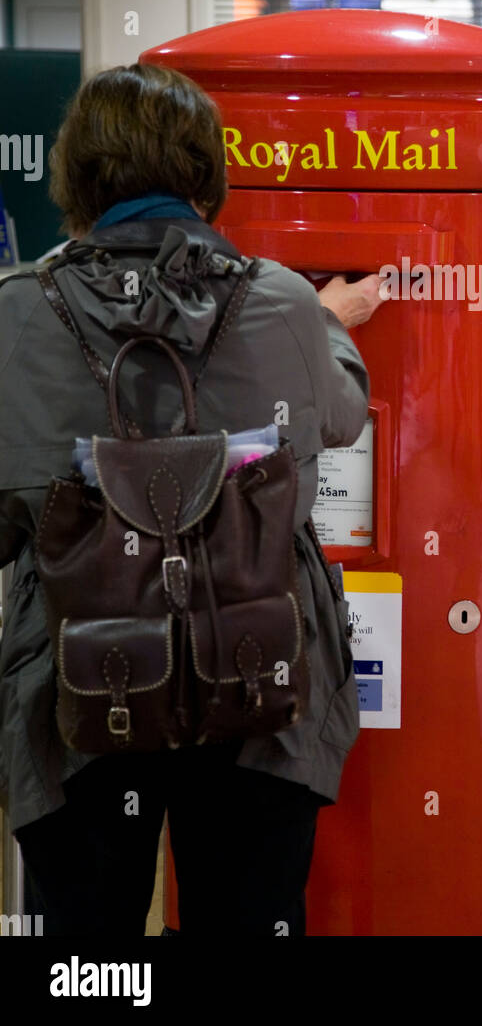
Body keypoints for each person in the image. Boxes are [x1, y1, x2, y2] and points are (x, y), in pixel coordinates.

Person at [0, 62, 383, 937]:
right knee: (248, 921)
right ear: (207, 172)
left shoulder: (18, 316)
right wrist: (328, 322)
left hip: (81, 698)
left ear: (78, 175)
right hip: (254, 687)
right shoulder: (284, 302)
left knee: (88, 946)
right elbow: (342, 413)